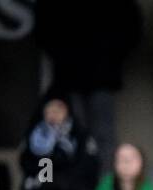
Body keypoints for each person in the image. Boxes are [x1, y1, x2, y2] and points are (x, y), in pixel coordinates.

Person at [33, 0, 141, 159]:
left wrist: (113, 57)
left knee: (103, 134)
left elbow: (132, 26)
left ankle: (106, 182)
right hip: (70, 74)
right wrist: (61, 55)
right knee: (72, 133)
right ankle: (79, 180)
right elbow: (43, 28)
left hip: (102, 74)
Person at [15, 94, 99, 190]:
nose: (53, 114)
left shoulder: (79, 134)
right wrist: (48, 168)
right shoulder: (35, 134)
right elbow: (26, 162)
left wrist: (65, 179)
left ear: (67, 111)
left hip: (71, 189)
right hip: (43, 187)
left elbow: (89, 165)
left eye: (58, 109)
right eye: (49, 110)